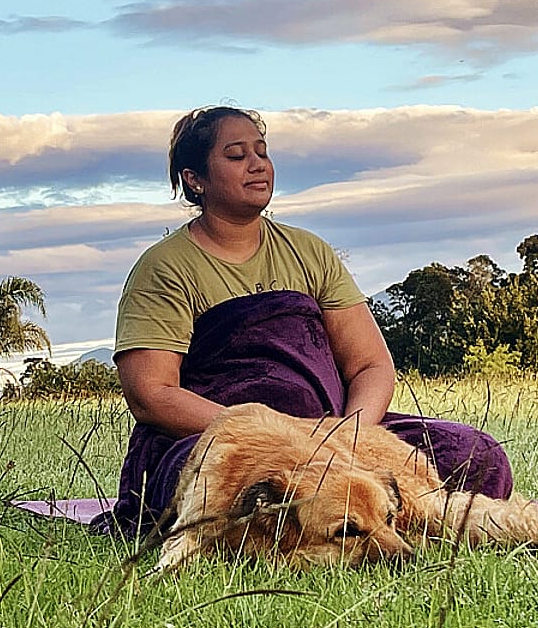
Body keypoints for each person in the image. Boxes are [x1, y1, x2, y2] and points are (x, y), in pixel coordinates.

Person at [90, 105, 514, 537]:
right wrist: (276, 435)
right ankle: (376, 523)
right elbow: (153, 394)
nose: (257, 165)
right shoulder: (165, 268)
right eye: (236, 156)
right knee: (226, 497)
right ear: (194, 179)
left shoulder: (309, 251)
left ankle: (375, 522)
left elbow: (370, 365)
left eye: (262, 152)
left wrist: (350, 435)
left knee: (475, 454)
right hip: (228, 441)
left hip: (331, 431)